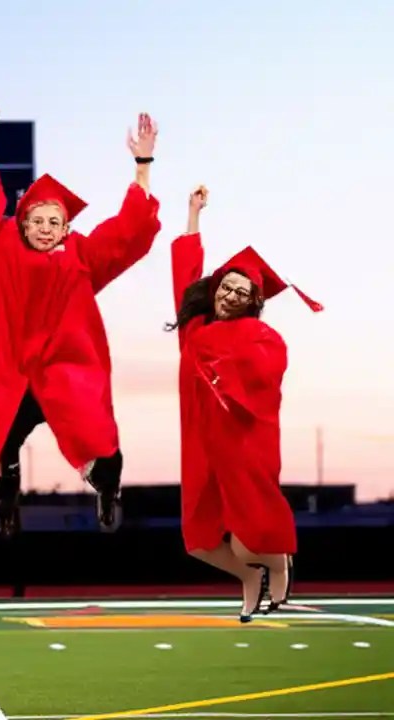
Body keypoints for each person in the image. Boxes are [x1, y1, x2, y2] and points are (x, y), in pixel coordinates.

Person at [0, 102, 163, 537]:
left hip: (66, 370)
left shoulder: (81, 256)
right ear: (21, 221)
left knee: (97, 439)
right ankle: (7, 497)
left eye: (56, 222)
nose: (47, 228)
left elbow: (129, 232)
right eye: (38, 220)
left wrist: (142, 164)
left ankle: (107, 490)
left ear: (67, 228)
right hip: (11, 372)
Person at [167, 185, 319, 619]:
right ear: (215, 288)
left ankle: (276, 567)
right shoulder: (193, 328)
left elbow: (267, 374)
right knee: (197, 539)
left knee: (246, 538)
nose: (231, 295)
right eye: (226, 286)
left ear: (255, 302)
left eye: (242, 292)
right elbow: (186, 274)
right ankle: (250, 576)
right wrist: (193, 214)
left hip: (239, 439)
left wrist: (228, 378)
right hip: (199, 440)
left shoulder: (260, 336)